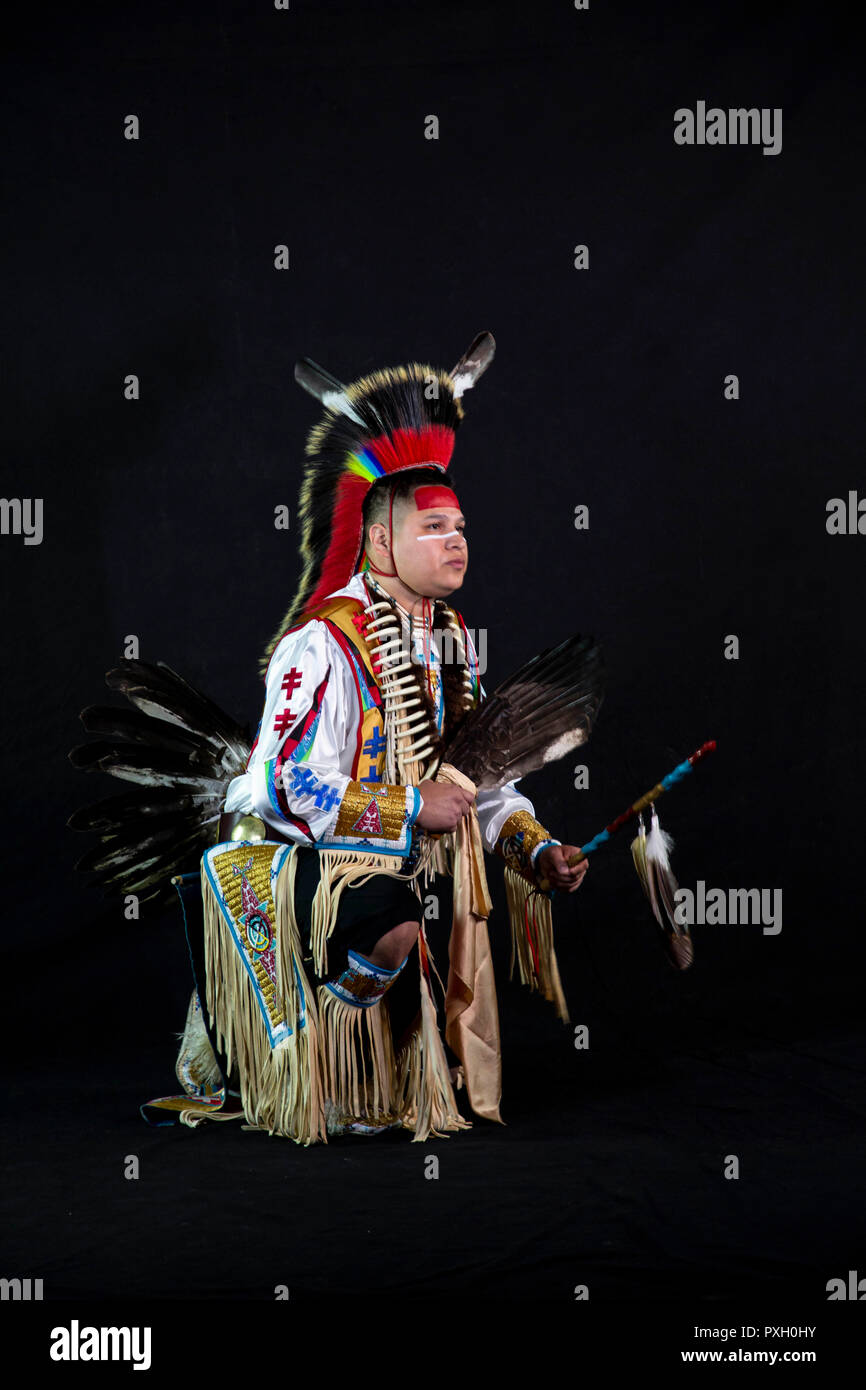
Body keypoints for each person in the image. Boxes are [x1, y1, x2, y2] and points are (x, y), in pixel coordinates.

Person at [164, 335, 590, 1143]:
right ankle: (296, 1060)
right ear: (381, 540)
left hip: (389, 854)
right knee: (392, 914)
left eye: (461, 525)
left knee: (403, 899)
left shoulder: (451, 641)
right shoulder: (321, 644)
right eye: (434, 528)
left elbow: (476, 778)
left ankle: (375, 1078)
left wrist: (535, 849)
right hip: (289, 857)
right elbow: (282, 784)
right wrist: (404, 807)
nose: (456, 540)